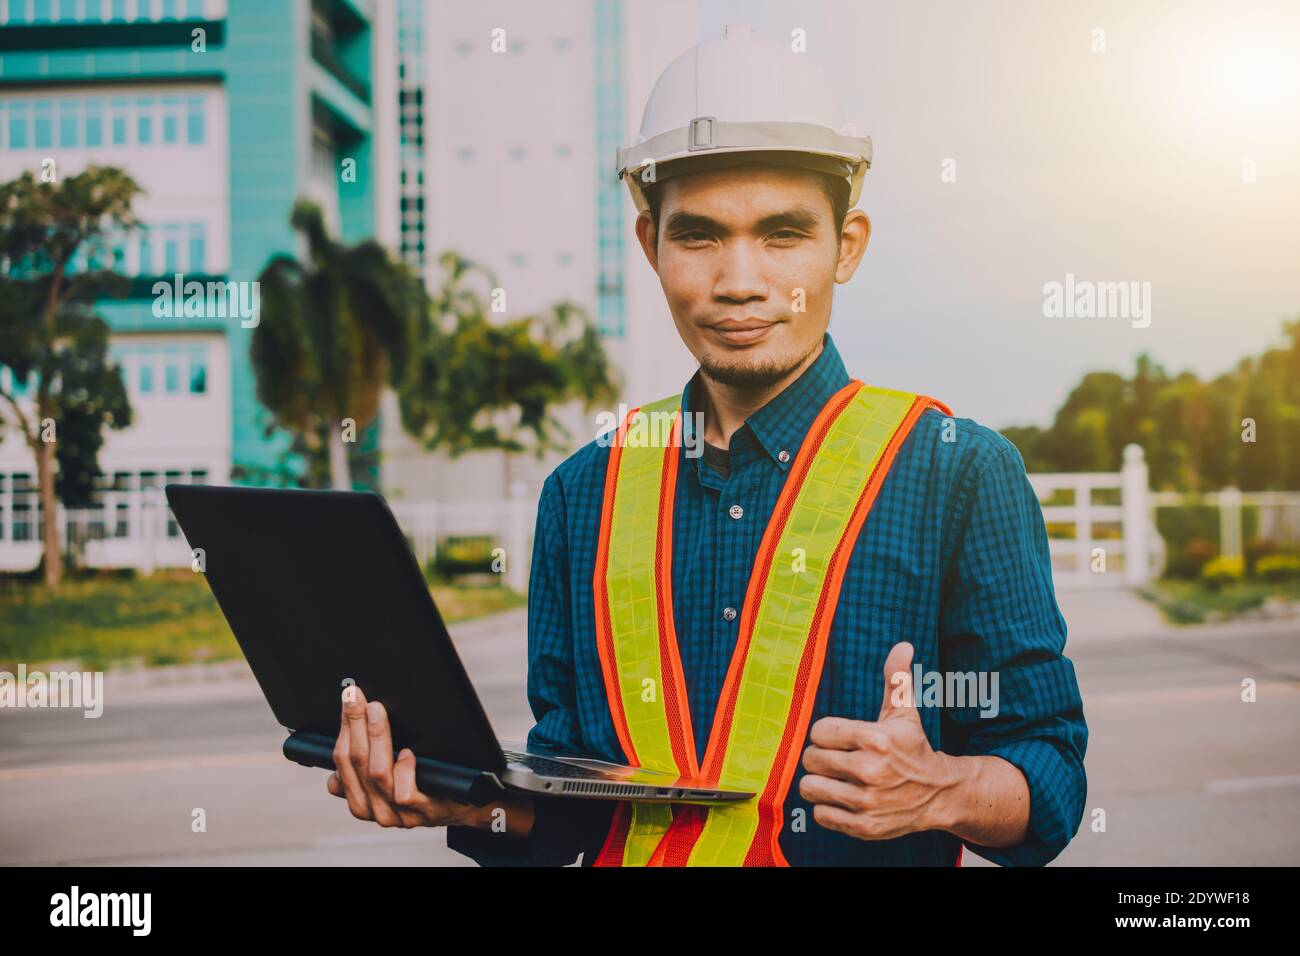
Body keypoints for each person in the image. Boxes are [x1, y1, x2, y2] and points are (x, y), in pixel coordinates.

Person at [327, 25, 1087, 867]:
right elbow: (575, 810)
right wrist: (468, 803)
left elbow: (1049, 783)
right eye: (699, 236)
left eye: (782, 233)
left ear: (848, 247)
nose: (739, 281)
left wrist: (940, 788)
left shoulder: (958, 472)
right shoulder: (585, 493)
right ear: (651, 245)